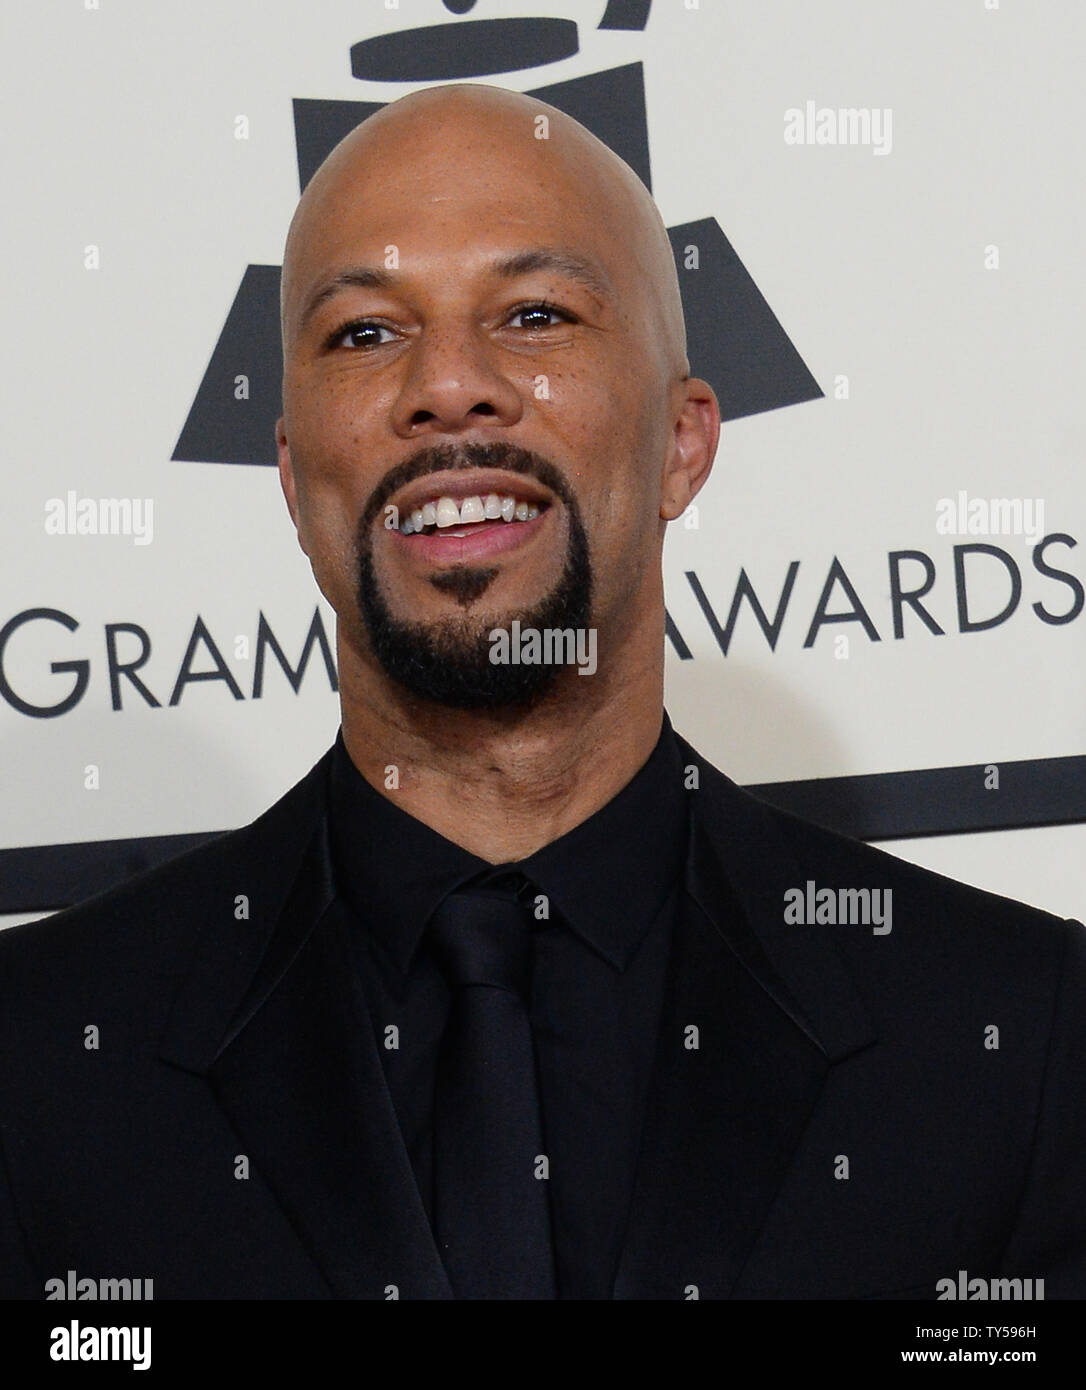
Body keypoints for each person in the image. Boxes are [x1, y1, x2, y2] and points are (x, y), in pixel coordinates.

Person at [1, 83, 1083, 1301]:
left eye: (533, 313)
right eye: (365, 332)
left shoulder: (1017, 1041)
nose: (449, 384)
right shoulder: (38, 1061)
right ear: (298, 482)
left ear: (682, 445)